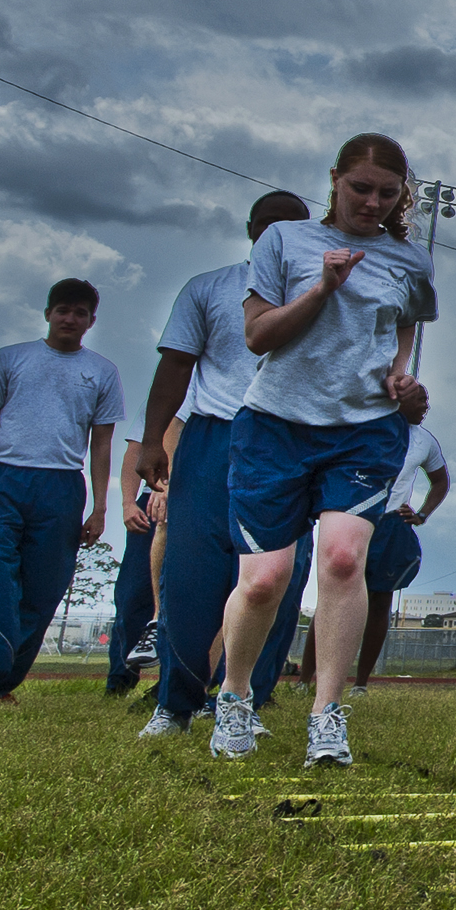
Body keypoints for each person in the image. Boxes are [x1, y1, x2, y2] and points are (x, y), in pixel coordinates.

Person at [210, 135, 437, 770]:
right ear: (335, 179)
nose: (372, 202)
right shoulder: (284, 241)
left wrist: (400, 377)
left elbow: (404, 328)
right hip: (275, 425)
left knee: (341, 559)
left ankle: (327, 717)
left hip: (364, 429)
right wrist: (322, 288)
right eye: (360, 188)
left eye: (387, 193)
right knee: (264, 581)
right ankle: (234, 698)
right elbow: (258, 336)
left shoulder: (412, 260)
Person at [134, 189, 311, 741]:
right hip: (215, 436)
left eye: (292, 226)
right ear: (251, 229)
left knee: (276, 579)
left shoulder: (325, 293)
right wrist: (151, 440)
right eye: (268, 224)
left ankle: (241, 701)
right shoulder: (208, 289)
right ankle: (175, 704)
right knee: (192, 575)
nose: (278, 235)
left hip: (289, 440)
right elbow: (175, 368)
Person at [0, 279, 125, 707]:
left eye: (80, 313)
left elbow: (101, 445)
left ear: (91, 321)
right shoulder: (10, 358)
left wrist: (99, 509)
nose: (70, 319)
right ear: (47, 314)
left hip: (61, 486)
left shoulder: (102, 372)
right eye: (62, 310)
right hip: (0, 480)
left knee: (43, 589)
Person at [351, 419, 447, 691]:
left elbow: (440, 481)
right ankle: (307, 678)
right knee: (337, 595)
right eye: (419, 399)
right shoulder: (366, 423)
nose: (425, 406)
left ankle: (360, 683)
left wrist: (422, 514)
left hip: (392, 523)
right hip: (355, 517)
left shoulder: (424, 440)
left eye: (426, 400)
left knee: (380, 601)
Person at [103, 436, 162, 698]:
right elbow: (135, 450)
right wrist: (128, 502)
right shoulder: (156, 412)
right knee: (132, 596)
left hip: (199, 500)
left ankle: (174, 685)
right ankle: (119, 679)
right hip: (151, 503)